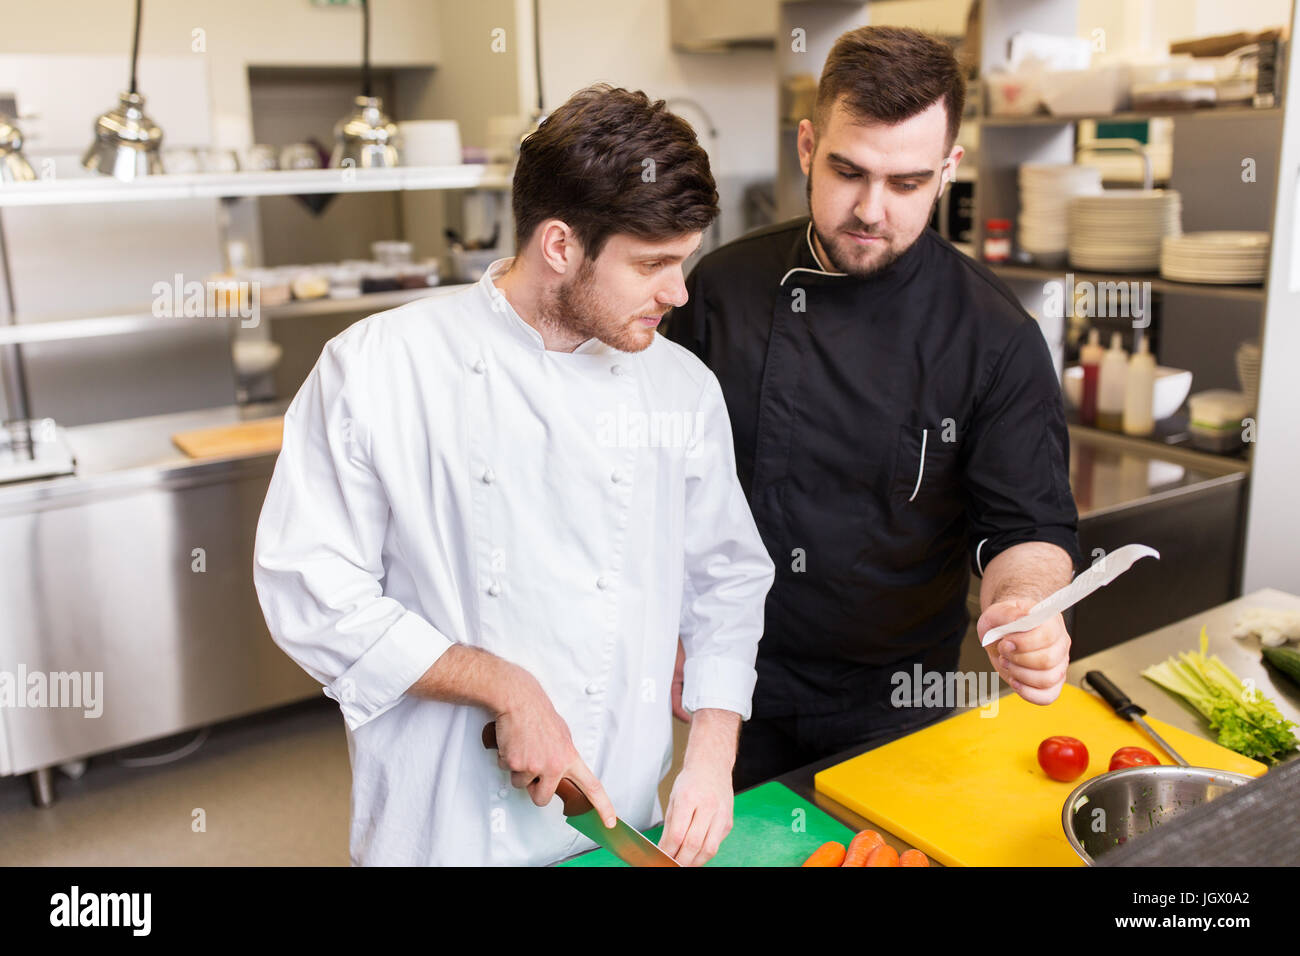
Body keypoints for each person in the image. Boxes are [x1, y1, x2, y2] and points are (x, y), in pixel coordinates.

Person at [253, 84, 775, 865]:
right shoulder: (380, 368)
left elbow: (727, 581)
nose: (679, 292)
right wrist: (502, 684)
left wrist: (712, 748)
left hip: (616, 814)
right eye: (654, 264)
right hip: (442, 831)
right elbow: (310, 588)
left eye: (685, 261)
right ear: (560, 246)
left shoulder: (681, 389)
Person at [665, 26, 1081, 789]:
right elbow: (652, 478)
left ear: (949, 170)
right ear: (806, 145)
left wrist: (1026, 604)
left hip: (895, 698)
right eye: (848, 171)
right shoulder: (719, 291)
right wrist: (664, 620)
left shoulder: (994, 337)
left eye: (907, 182)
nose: (870, 209)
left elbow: (1027, 526)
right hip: (730, 676)